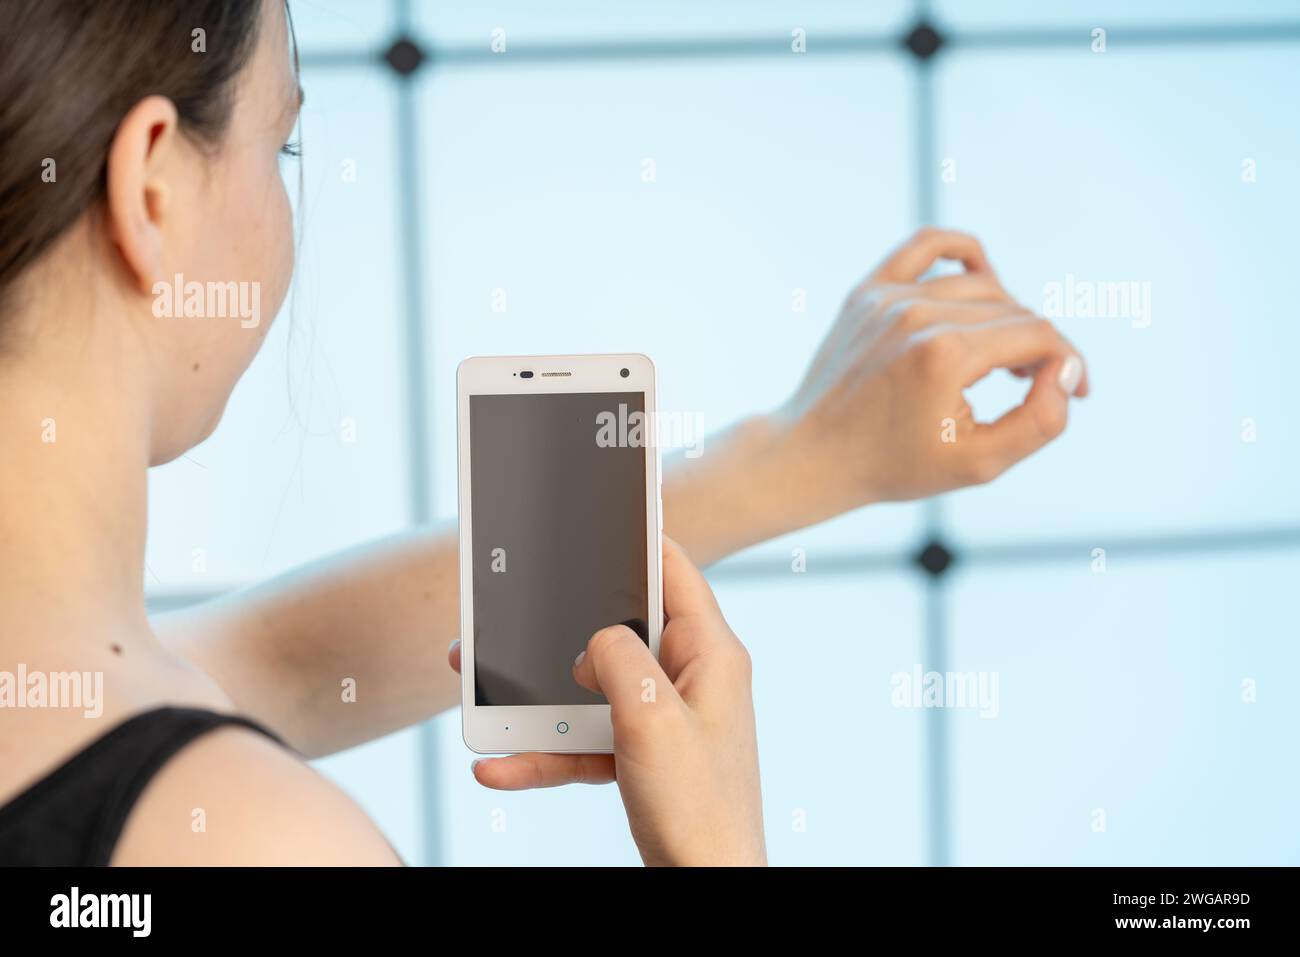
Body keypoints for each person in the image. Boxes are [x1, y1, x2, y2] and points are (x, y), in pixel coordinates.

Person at [0, 0, 1088, 866]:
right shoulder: (251, 840)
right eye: (282, 148)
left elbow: (278, 666)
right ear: (149, 188)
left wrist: (806, 456)